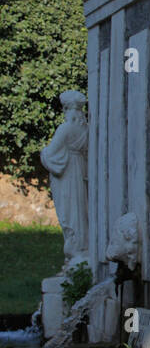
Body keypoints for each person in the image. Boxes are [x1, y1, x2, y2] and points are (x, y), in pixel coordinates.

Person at [40, 90, 88, 263]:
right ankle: (81, 247)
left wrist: (43, 153)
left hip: (67, 174)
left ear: (66, 108)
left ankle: (75, 250)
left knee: (69, 211)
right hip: (80, 169)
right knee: (80, 210)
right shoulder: (84, 129)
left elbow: (51, 153)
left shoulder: (65, 128)